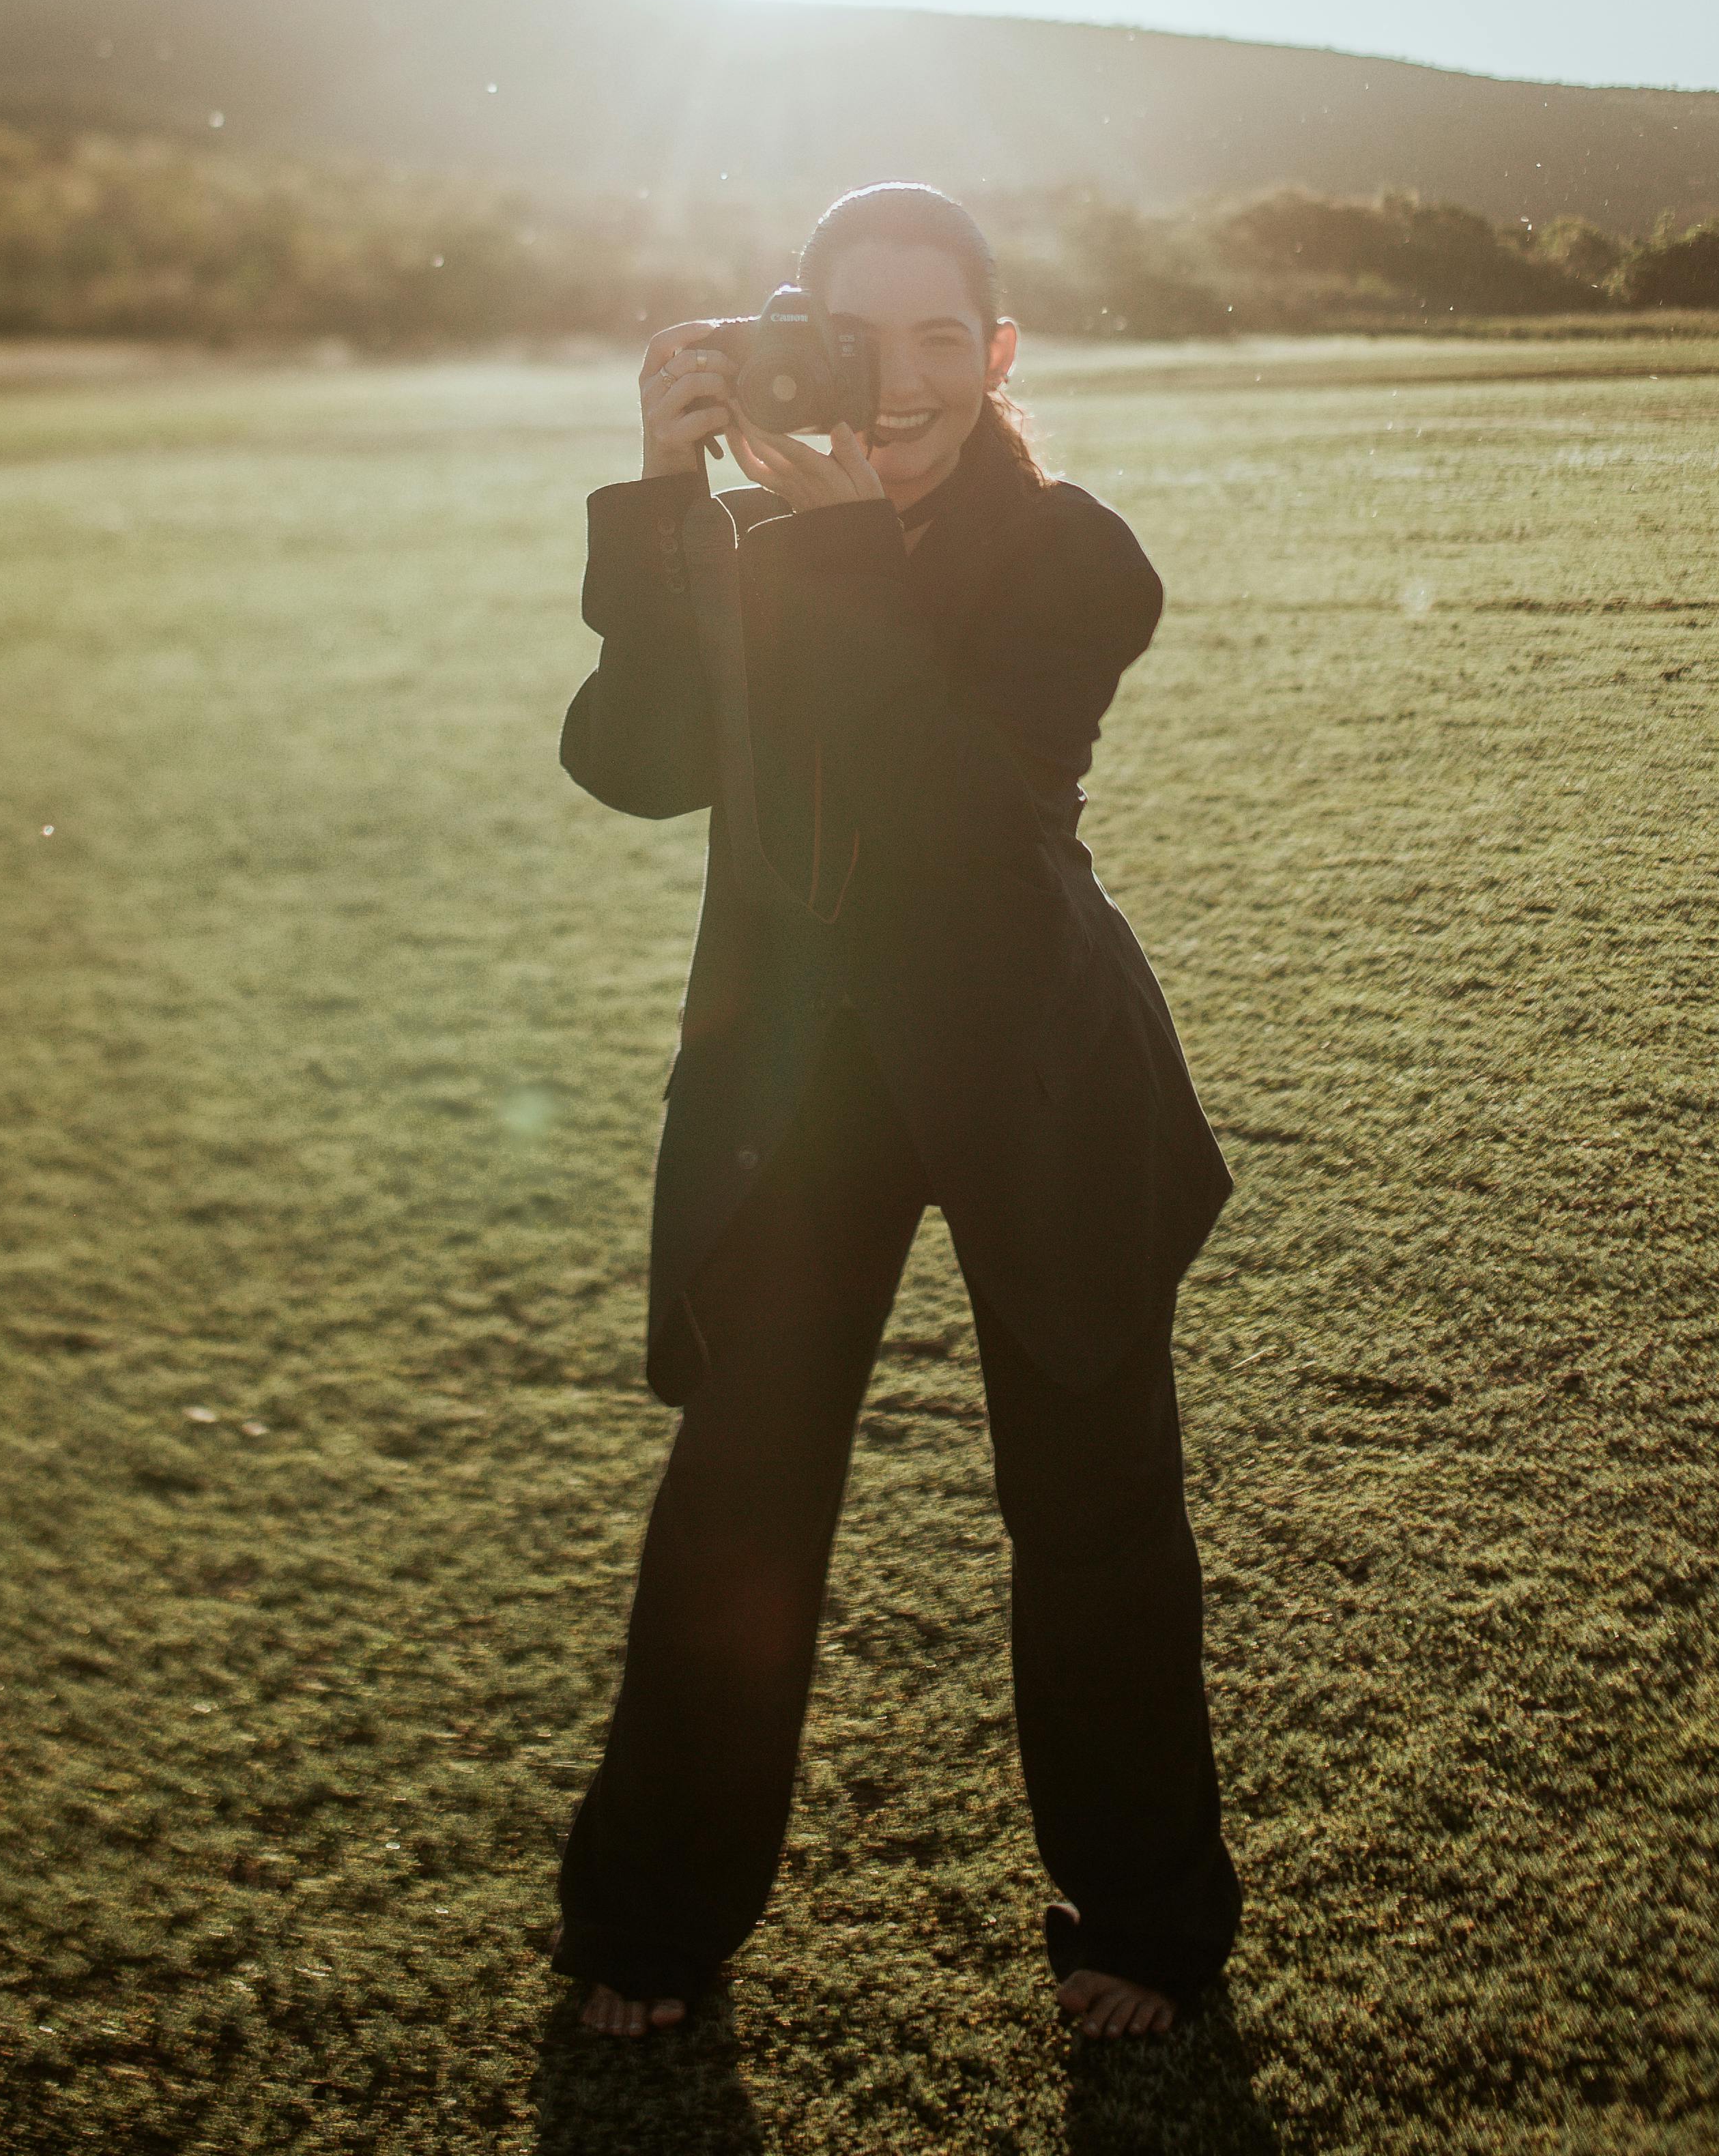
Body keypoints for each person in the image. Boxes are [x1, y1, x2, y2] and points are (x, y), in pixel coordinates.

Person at [550, 182, 1239, 2043]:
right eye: (871, 337)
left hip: (1035, 1069)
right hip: (801, 1081)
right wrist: (664, 505)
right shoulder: (757, 535)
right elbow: (634, 762)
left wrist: (831, 552)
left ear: (1001, 355)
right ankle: (651, 1929)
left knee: (1094, 1514)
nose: (911, 377)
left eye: (951, 338)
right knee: (737, 1510)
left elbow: (971, 833)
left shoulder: (1081, 557)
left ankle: (1148, 1929)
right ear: (810, 337)